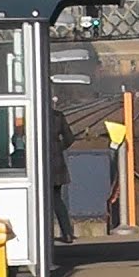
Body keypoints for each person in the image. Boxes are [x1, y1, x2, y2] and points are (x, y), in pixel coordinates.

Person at [50, 97, 76, 243]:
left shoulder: (35, 117)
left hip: (40, 164)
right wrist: (59, 148)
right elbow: (70, 138)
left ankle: (45, 234)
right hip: (57, 163)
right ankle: (67, 233)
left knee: (41, 201)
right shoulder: (58, 116)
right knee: (57, 200)